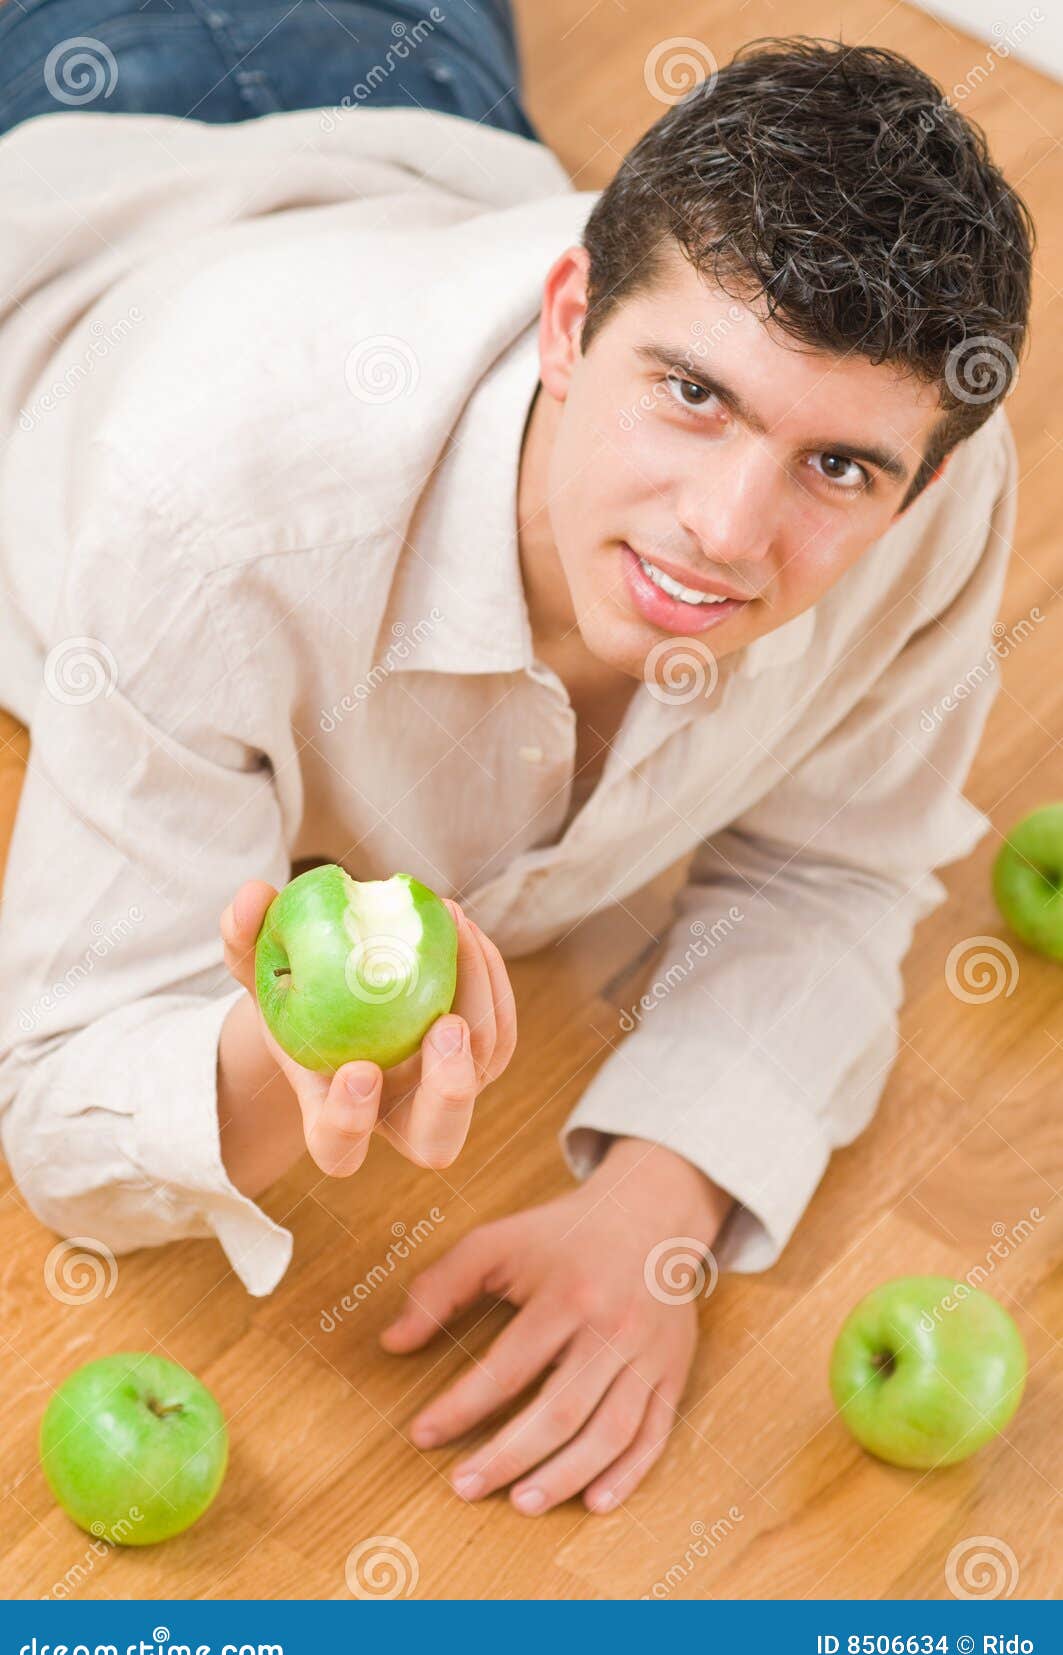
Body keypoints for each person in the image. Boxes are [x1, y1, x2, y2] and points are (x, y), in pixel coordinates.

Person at [0, 11, 1033, 1519]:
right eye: (694, 393)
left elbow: (834, 864)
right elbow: (57, 1095)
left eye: (835, 467)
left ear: (924, 474)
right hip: (73, 124)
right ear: (568, 319)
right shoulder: (215, 509)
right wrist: (273, 1068)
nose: (728, 532)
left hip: (417, 113)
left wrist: (661, 1193)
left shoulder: (933, 470)